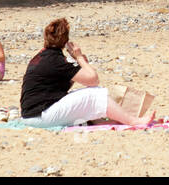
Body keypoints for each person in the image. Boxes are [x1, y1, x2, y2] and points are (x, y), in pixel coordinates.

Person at [20, 18, 154, 128]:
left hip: (32, 116)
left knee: (85, 94)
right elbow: (93, 79)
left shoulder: (42, 57)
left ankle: (104, 120)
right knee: (95, 93)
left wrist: (80, 62)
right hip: (41, 117)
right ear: (66, 42)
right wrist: (78, 57)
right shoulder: (56, 60)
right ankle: (133, 121)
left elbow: (65, 82)